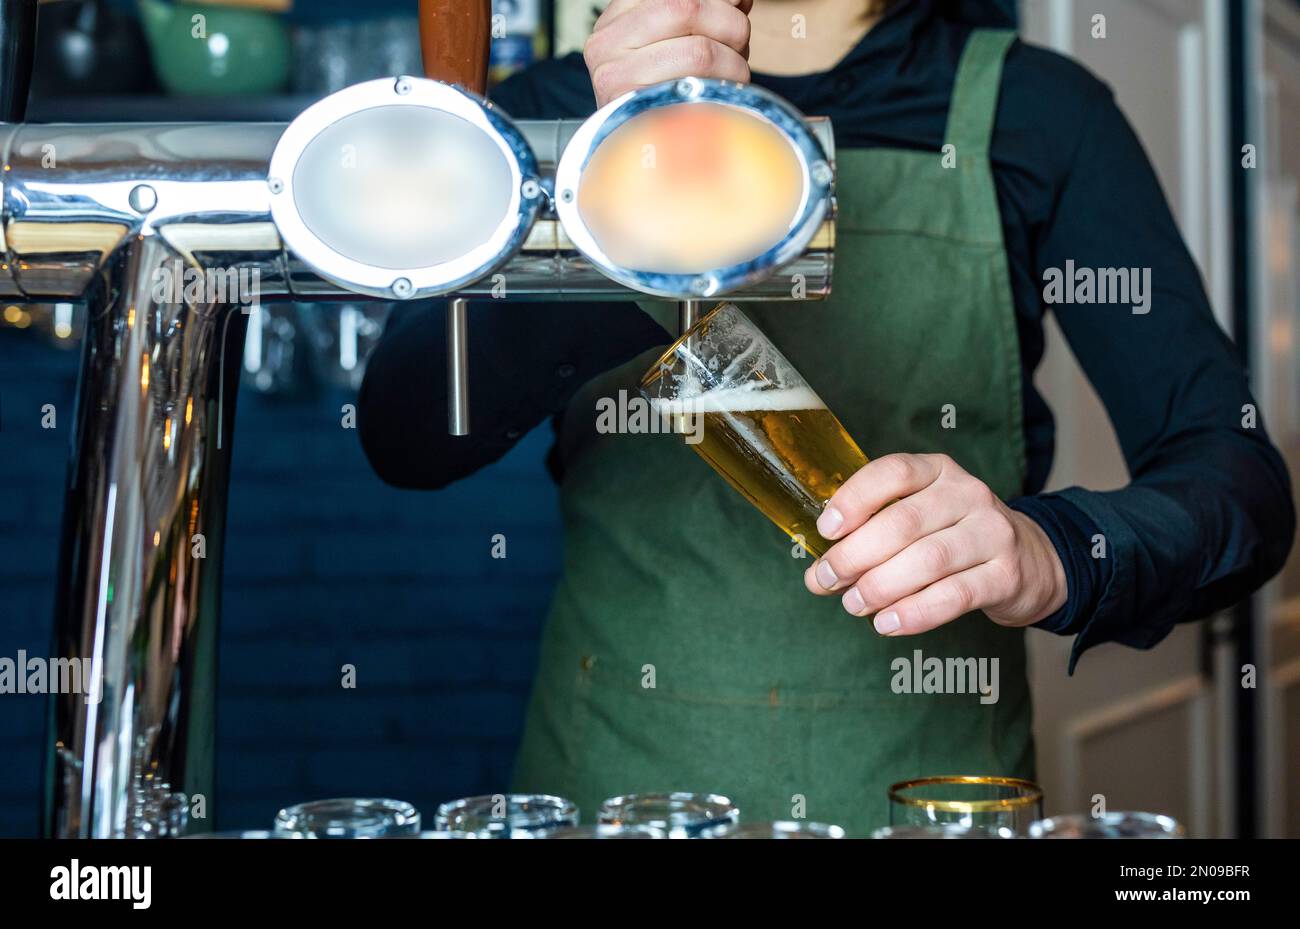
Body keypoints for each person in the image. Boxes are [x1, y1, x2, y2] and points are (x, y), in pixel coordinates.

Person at [358, 0, 1296, 835]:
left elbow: (1239, 479)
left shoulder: (1039, 111)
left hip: (934, 800)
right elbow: (405, 439)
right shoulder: (558, 105)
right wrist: (607, 192)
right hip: (616, 791)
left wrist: (1051, 551)